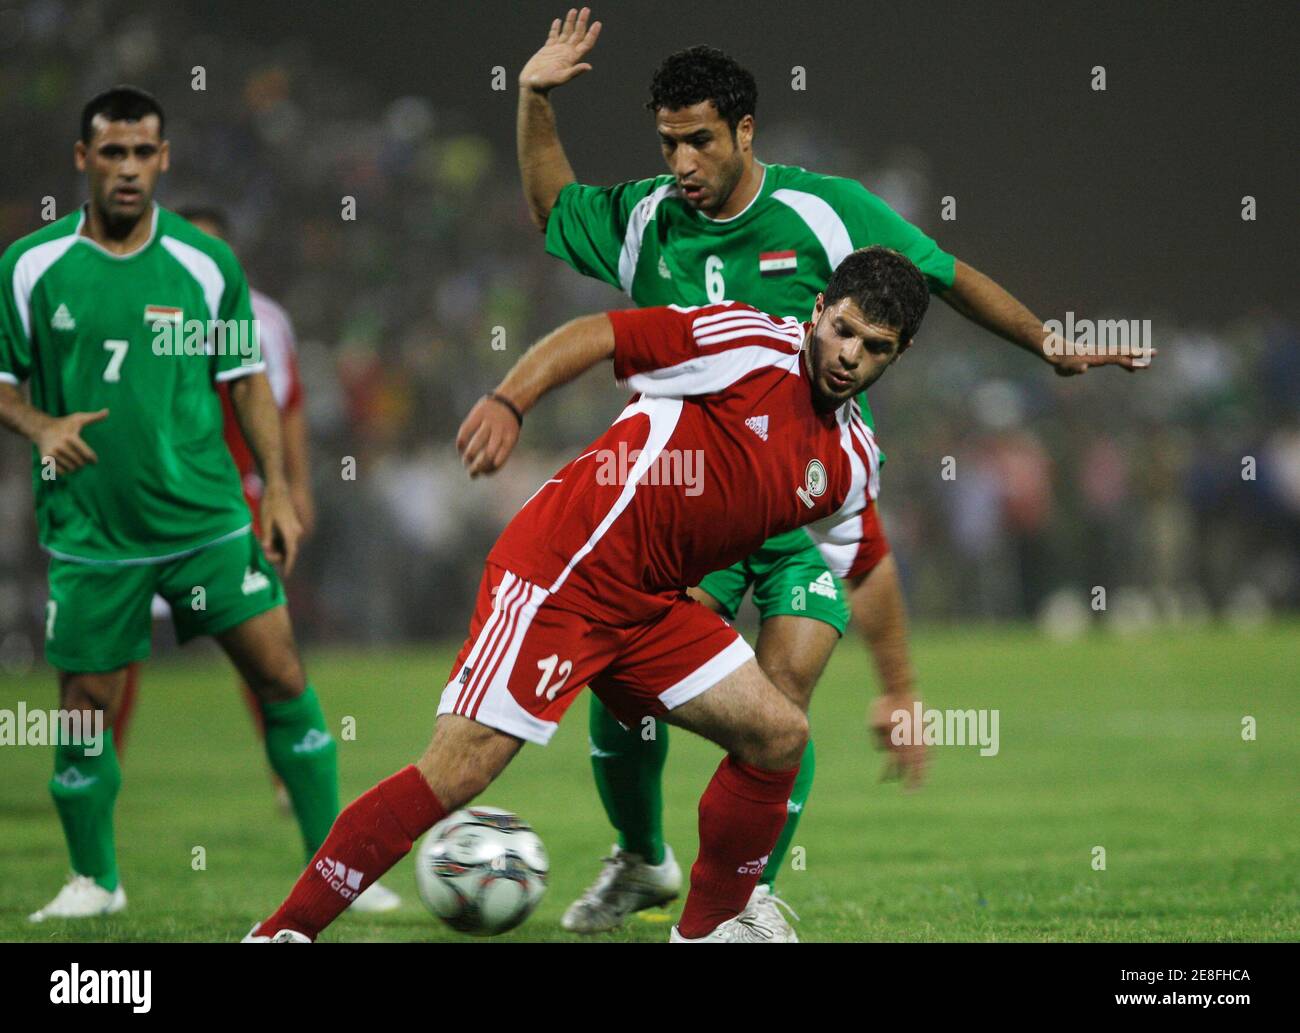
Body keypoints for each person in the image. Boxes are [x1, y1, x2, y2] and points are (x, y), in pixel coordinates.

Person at [516, 9, 1147, 936]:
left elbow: (943, 272)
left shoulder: (827, 208)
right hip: (682, 516)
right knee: (623, 696)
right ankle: (643, 858)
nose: (682, 162)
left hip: (801, 510)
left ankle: (749, 894)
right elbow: (550, 207)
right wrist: (532, 96)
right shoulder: (645, 217)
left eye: (699, 141)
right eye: (667, 142)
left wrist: (1045, 340)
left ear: (744, 133)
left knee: (782, 704)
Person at [248, 246, 934, 943]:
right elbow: (602, 333)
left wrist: (899, 688)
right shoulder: (749, 345)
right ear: (818, 310)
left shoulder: (848, 459)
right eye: (842, 329)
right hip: (564, 572)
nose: (849, 355)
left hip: (651, 607)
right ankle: (282, 933)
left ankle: (708, 931)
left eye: (874, 346)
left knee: (777, 734)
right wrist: (510, 400)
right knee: (460, 768)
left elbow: (869, 560)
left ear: (898, 353)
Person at [0, 86, 396, 920]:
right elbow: (3, 382)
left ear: (165, 158)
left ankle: (338, 877)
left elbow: (247, 382)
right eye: (113, 153)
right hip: (92, 531)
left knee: (283, 677)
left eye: (145, 153)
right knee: (83, 710)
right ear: (83, 160)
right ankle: (94, 882)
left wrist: (280, 491)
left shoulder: (204, 263)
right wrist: (38, 424)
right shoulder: (30, 266)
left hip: (207, 522)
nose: (130, 170)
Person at [110, 204, 318, 820]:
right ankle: (99, 772)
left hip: (235, 501)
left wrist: (293, 486)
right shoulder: (137, 308)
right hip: (144, 499)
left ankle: (289, 774)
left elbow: (288, 405)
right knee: (115, 645)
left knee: (264, 645)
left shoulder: (264, 319)